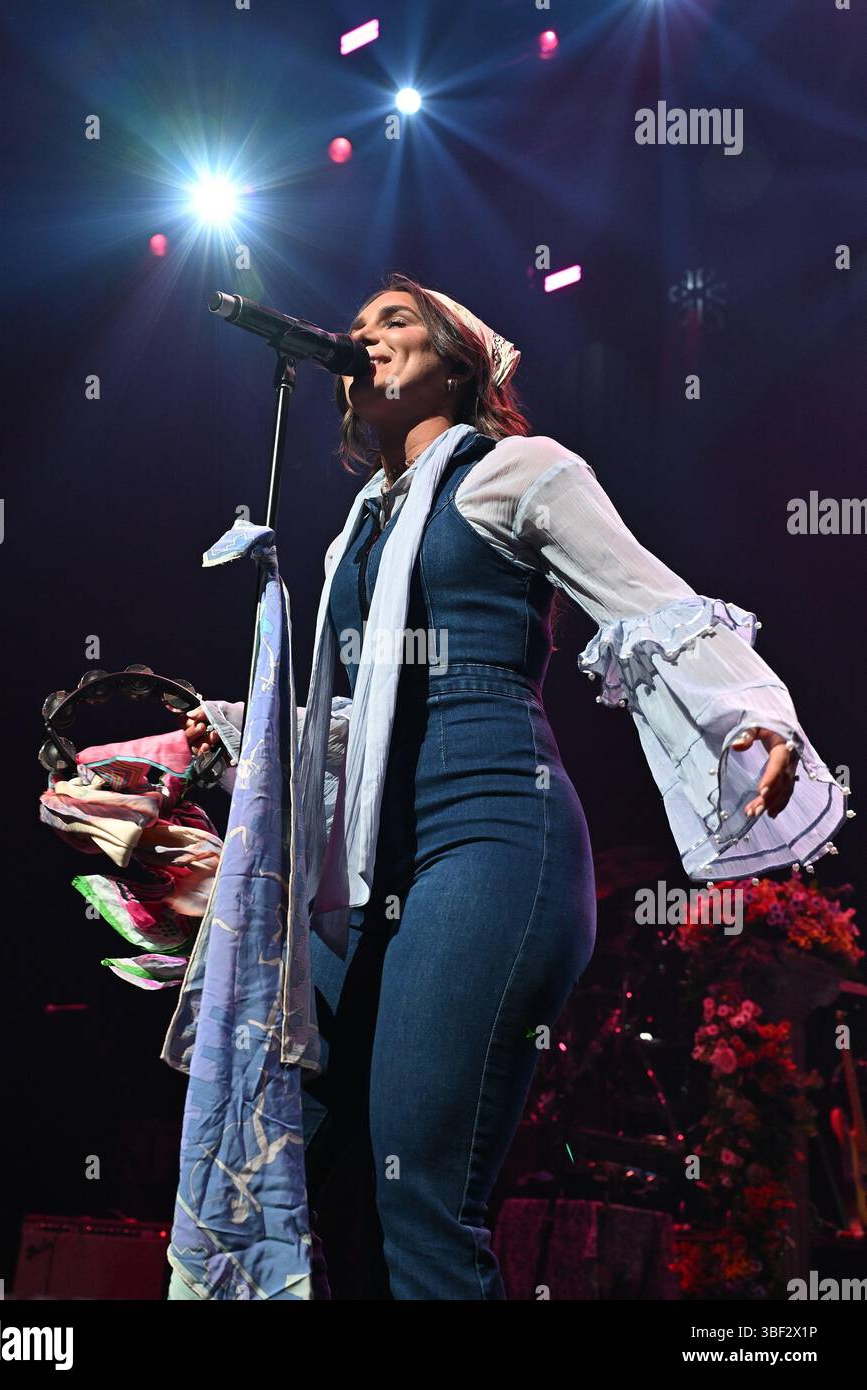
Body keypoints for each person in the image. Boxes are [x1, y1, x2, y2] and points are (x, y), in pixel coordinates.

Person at [181, 272, 846, 1299]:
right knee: (292, 1169)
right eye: (356, 330)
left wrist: (749, 714)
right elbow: (363, 715)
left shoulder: (518, 470)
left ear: (462, 357)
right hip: (367, 875)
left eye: (394, 321)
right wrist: (231, 734)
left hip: (493, 837)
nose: (364, 339)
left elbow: (648, 598)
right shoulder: (359, 526)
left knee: (424, 1201)